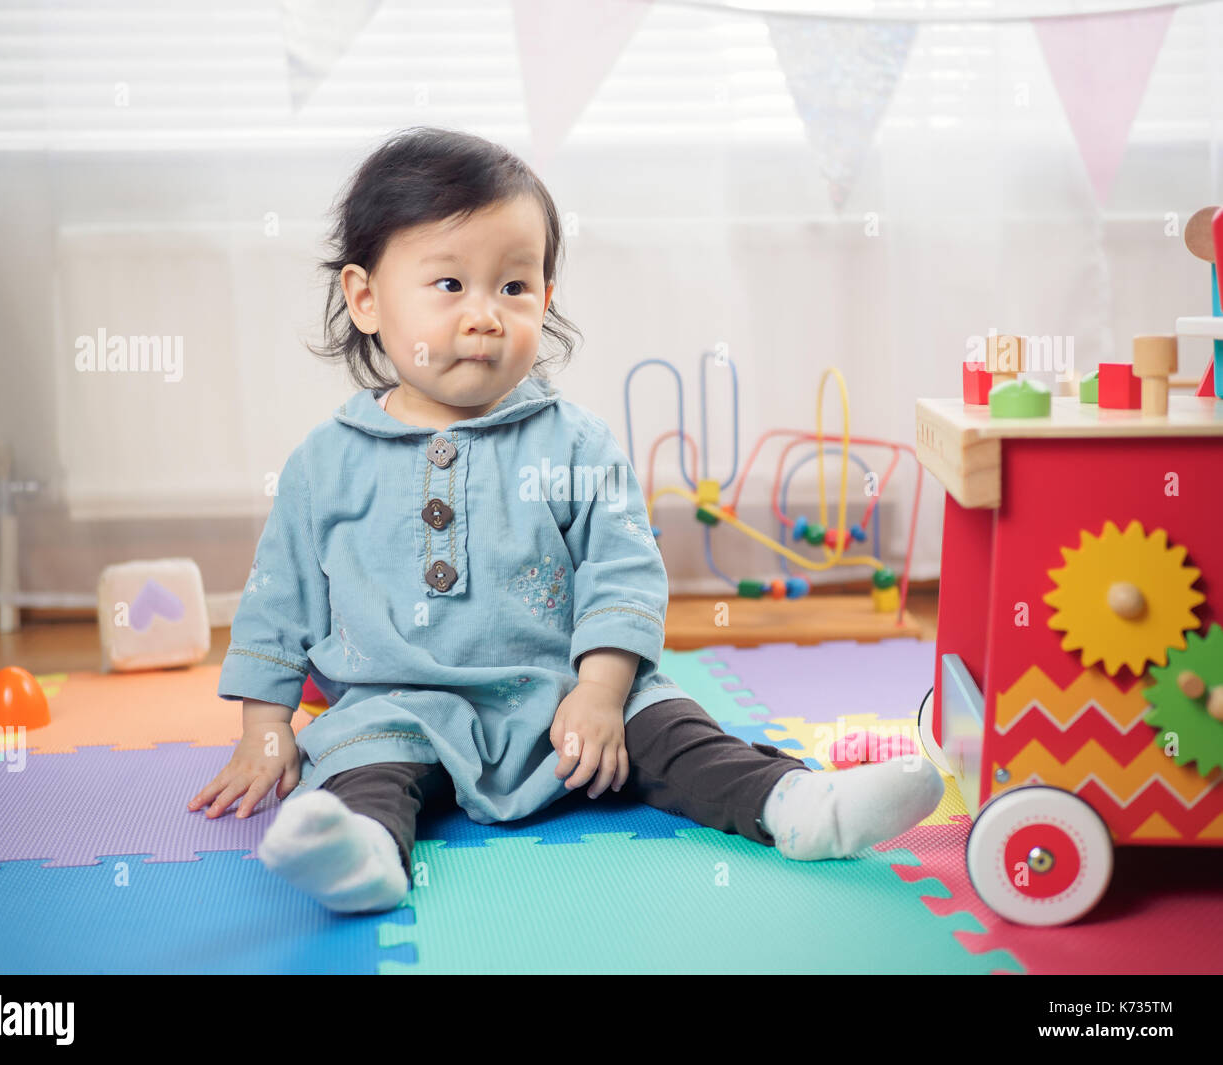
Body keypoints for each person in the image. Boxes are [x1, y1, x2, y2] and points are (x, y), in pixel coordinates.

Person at [188, 126, 944, 913]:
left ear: (545, 300)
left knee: (678, 729)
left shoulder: (573, 440)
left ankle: (797, 804)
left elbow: (623, 569)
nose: (484, 315)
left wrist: (599, 687)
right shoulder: (324, 462)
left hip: (567, 695)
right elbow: (280, 603)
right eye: (449, 285)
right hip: (397, 706)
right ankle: (364, 852)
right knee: (354, 766)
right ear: (366, 298)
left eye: (513, 288)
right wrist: (265, 728)